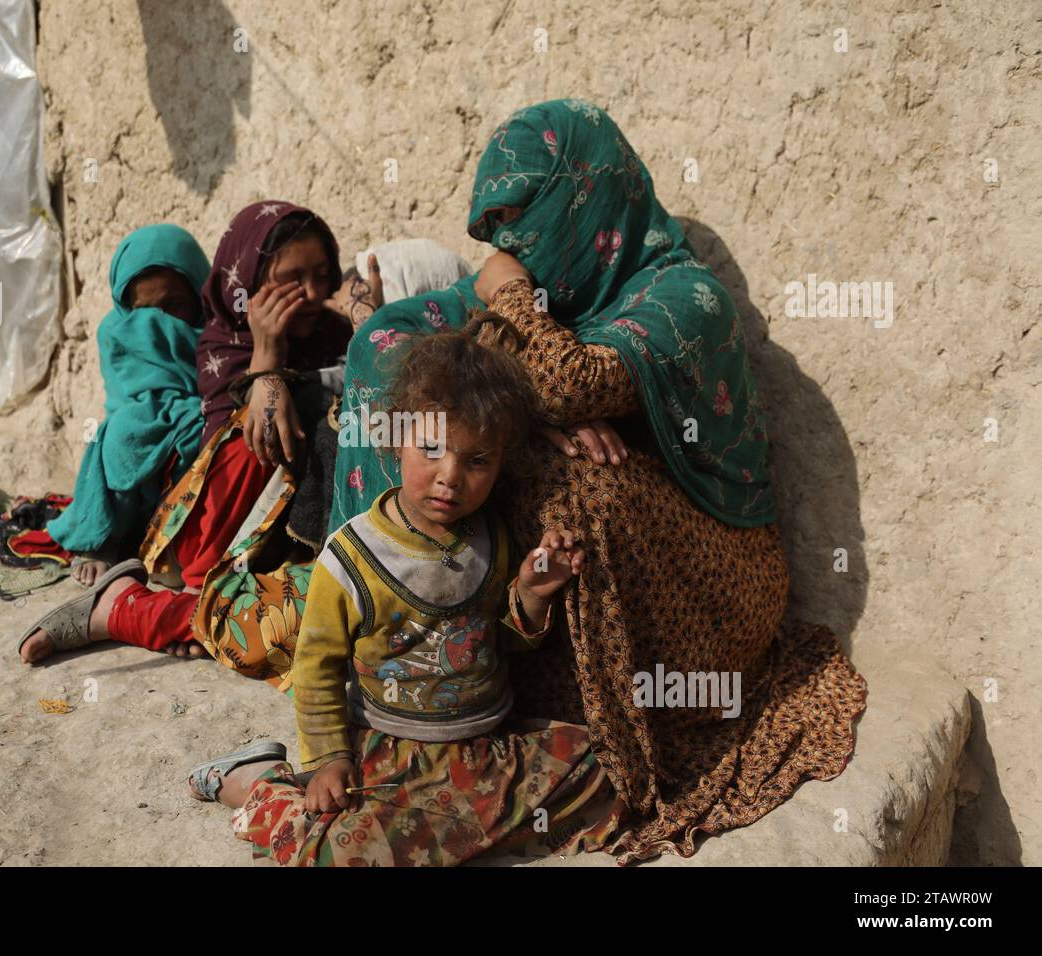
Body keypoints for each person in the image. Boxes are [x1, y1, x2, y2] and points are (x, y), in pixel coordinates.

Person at [329, 98, 868, 865]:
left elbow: (573, 382)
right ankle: (408, 647)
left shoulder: (686, 300)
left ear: (584, 197)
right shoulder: (563, 300)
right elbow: (392, 347)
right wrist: (517, 404)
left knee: (576, 481)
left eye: (523, 218)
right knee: (427, 395)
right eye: (494, 232)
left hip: (713, 591)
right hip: (597, 575)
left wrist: (511, 310)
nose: (511, 247)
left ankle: (610, 714)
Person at [185, 325, 626, 866]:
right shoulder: (352, 557)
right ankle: (253, 782)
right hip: (389, 756)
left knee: (609, 768)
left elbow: (499, 641)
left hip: (485, 753)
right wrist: (328, 759)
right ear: (397, 439)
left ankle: (451, 830)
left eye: (477, 461)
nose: (450, 477)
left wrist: (532, 592)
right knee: (346, 855)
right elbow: (317, 667)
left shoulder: (491, 537)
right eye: (433, 449)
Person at [17, 203, 369, 670]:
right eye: (290, 279)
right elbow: (238, 450)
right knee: (254, 434)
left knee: (348, 617)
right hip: (206, 547)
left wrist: (367, 320)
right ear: (247, 285)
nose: (310, 293)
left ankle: (136, 611)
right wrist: (267, 365)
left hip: (282, 549)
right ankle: (192, 602)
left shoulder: (342, 332)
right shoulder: (225, 348)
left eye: (323, 275)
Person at [35, 225, 209, 587]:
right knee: (120, 436)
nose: (156, 321)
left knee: (206, 438)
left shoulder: (219, 334)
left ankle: (176, 542)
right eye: (143, 310)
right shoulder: (115, 333)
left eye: (172, 305)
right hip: (139, 416)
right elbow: (127, 394)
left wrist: (188, 413)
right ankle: (110, 541)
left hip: (201, 410)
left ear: (198, 294)